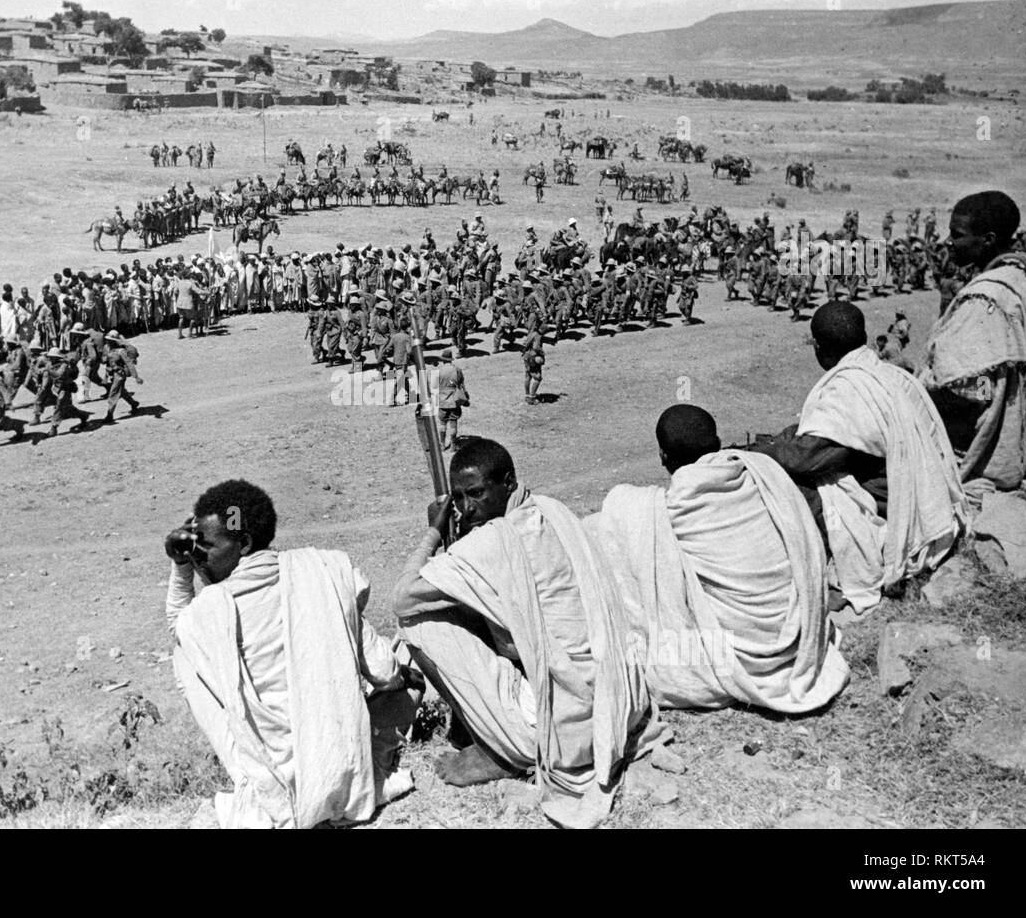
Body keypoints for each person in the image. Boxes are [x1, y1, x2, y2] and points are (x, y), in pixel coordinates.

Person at [389, 438, 663, 827]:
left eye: (477, 494)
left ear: (509, 483)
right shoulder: (550, 509)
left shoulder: (491, 541)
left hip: (564, 727)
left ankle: (498, 750)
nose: (467, 509)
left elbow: (402, 599)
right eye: (459, 499)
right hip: (618, 700)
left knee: (415, 624)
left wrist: (434, 534)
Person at [168, 479, 422, 828]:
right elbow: (382, 669)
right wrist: (400, 677)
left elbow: (177, 625)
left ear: (243, 543)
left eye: (205, 546)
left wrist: (182, 568)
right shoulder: (321, 571)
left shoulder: (209, 609)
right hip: (343, 781)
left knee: (183, 656)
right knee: (404, 679)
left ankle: (249, 783)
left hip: (276, 793)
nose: (198, 555)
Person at [584, 405, 850, 713]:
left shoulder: (671, 510)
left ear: (663, 457)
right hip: (797, 635)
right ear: (717, 443)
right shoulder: (760, 476)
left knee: (613, 527)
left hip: (736, 655)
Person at [751, 301, 967, 614]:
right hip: (924, 497)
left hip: (894, 506)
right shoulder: (890, 375)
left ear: (821, 349)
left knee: (792, 487)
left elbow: (807, 458)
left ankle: (818, 572)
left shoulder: (849, 387)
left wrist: (762, 451)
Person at [919, 191, 1026, 498]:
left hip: (984, 445)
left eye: (957, 235)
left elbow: (968, 390)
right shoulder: (1024, 273)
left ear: (987, 239)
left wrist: (916, 388)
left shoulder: (985, 298)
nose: (948, 241)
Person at [435, 348, 468, 450]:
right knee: (453, 423)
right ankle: (453, 445)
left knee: (442, 423)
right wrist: (466, 398)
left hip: (442, 401)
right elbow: (462, 385)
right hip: (454, 401)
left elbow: (433, 387)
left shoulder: (437, 371)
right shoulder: (457, 370)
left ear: (442, 360)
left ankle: (442, 444)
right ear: (450, 359)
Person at [522, 336, 544, 404]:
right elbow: (536, 347)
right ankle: (532, 397)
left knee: (528, 377)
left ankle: (527, 395)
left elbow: (525, 343)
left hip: (527, 356)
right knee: (538, 378)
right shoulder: (538, 336)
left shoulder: (532, 333)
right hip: (533, 358)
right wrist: (542, 353)